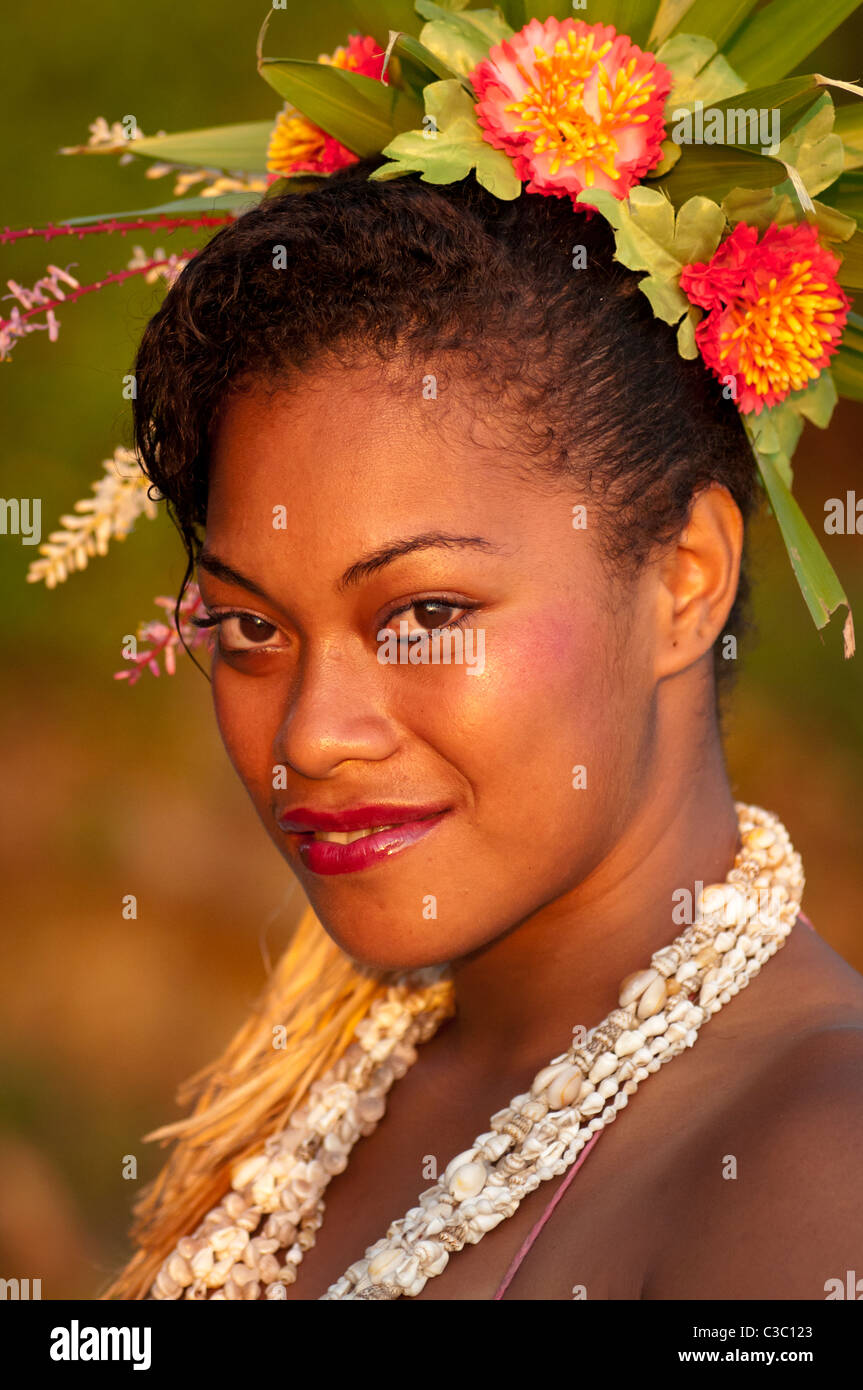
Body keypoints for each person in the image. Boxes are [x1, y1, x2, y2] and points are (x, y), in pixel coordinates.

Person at [102, 167, 863, 1302]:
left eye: (423, 614)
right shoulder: (349, 1073)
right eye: (252, 624)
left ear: (682, 581)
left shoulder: (812, 1168)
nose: (312, 737)